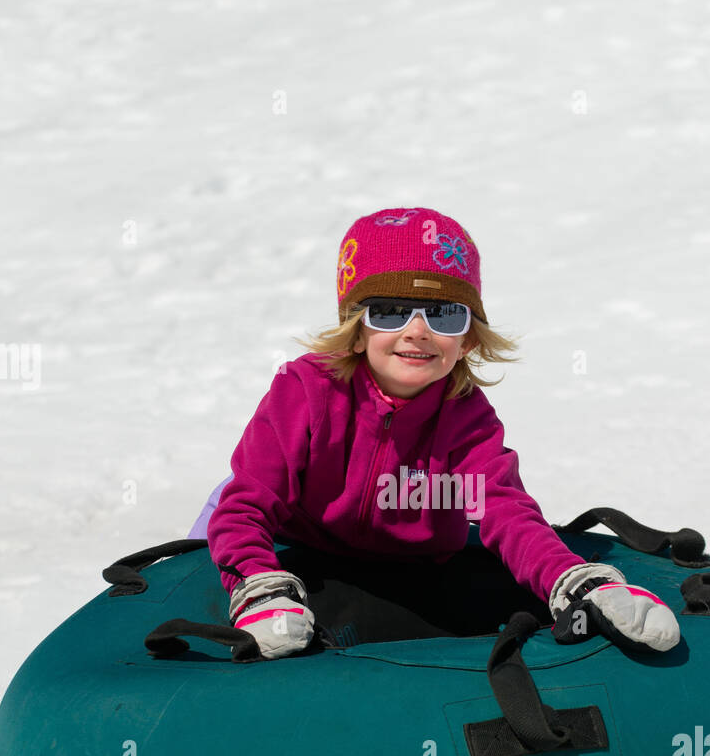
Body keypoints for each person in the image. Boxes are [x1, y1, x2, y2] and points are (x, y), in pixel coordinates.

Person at [204, 206, 680, 659]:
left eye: (445, 315)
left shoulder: (465, 417)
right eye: (389, 311)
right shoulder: (306, 391)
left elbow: (506, 512)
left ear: (468, 336)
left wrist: (574, 579)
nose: (417, 331)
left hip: (414, 571)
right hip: (303, 549)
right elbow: (245, 504)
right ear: (356, 327)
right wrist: (259, 582)